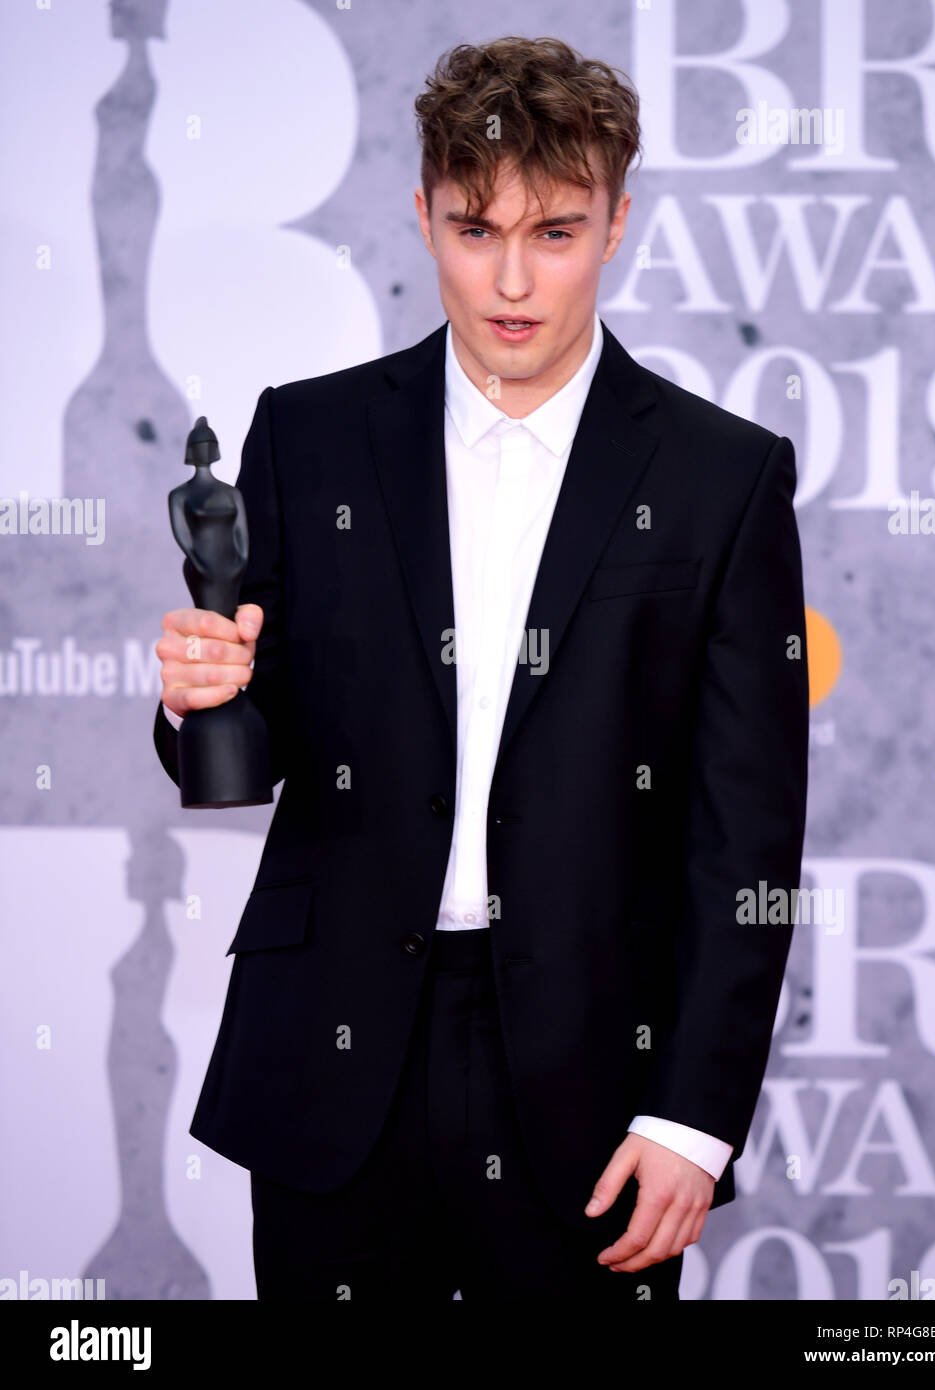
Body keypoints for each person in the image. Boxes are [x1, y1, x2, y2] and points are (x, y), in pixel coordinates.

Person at [153, 35, 808, 1303]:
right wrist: (195, 698)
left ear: (615, 223)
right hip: (334, 1061)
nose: (511, 279)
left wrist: (690, 1116)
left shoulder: (722, 477)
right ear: (421, 216)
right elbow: (248, 728)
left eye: (554, 233)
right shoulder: (308, 432)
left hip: (591, 1077)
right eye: (473, 228)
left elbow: (746, 836)